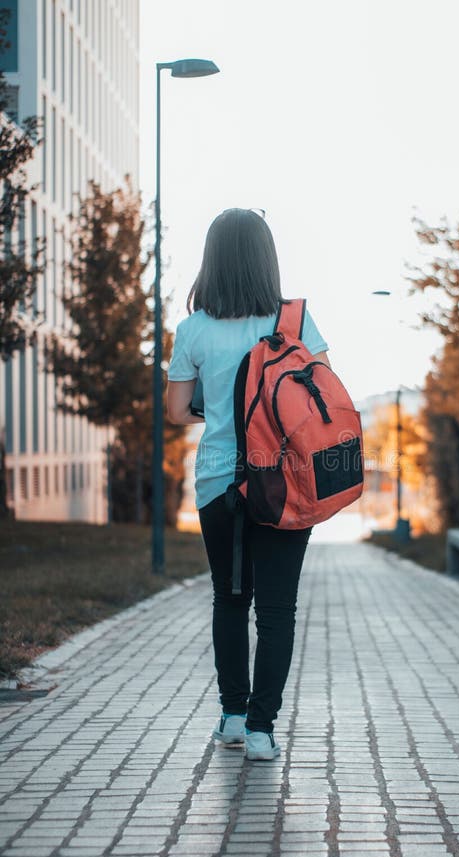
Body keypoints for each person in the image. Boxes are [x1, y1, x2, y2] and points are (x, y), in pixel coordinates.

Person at [166, 208, 330, 761]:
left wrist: (214, 409)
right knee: (278, 610)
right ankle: (263, 731)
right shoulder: (296, 324)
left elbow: (173, 412)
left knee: (231, 600)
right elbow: (321, 403)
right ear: (267, 258)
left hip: (219, 483)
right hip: (285, 482)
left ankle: (232, 717)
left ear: (210, 260)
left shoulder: (192, 330)